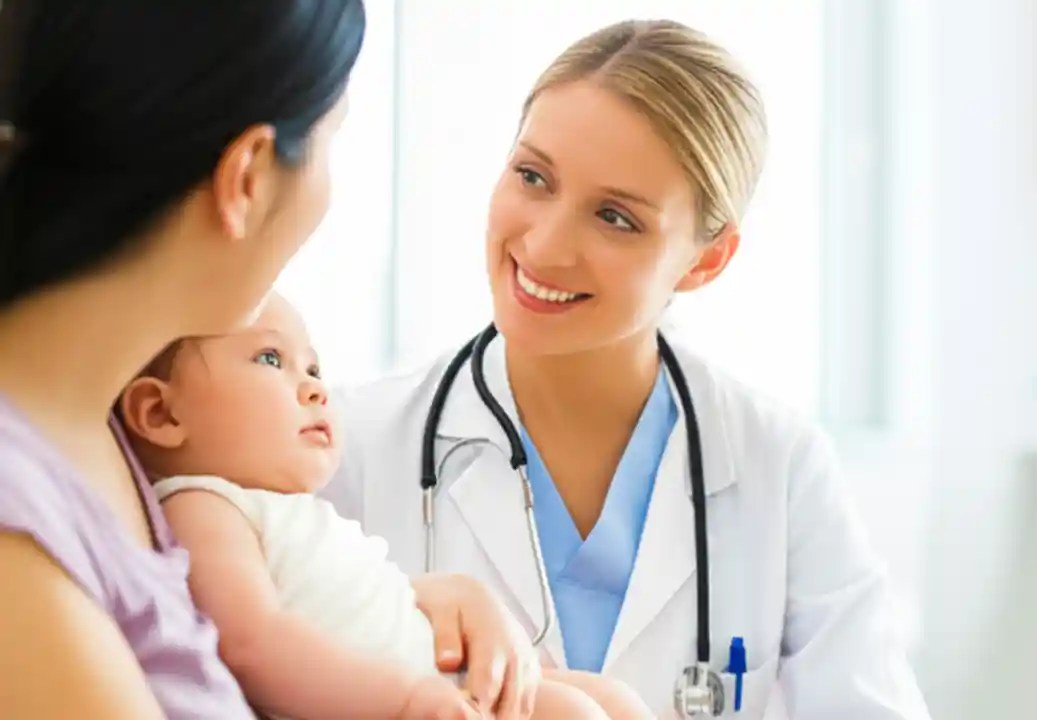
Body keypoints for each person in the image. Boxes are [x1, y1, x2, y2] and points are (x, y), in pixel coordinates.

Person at [326, 18, 932, 719]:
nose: (546, 247)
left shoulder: (779, 465)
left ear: (707, 260)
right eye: (533, 176)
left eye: (616, 217)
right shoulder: (352, 447)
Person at [0, 3, 540, 718]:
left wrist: (419, 605)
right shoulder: (19, 537)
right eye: (330, 142)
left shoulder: (93, 427)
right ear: (248, 177)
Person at [117, 292, 652, 720]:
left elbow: (339, 602)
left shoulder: (288, 511)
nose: (312, 389)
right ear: (161, 413)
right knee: (577, 714)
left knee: (616, 702)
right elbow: (253, 641)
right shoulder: (203, 506)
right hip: (392, 701)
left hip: (435, 685)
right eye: (271, 358)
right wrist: (404, 701)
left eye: (314, 368)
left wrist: (441, 600)